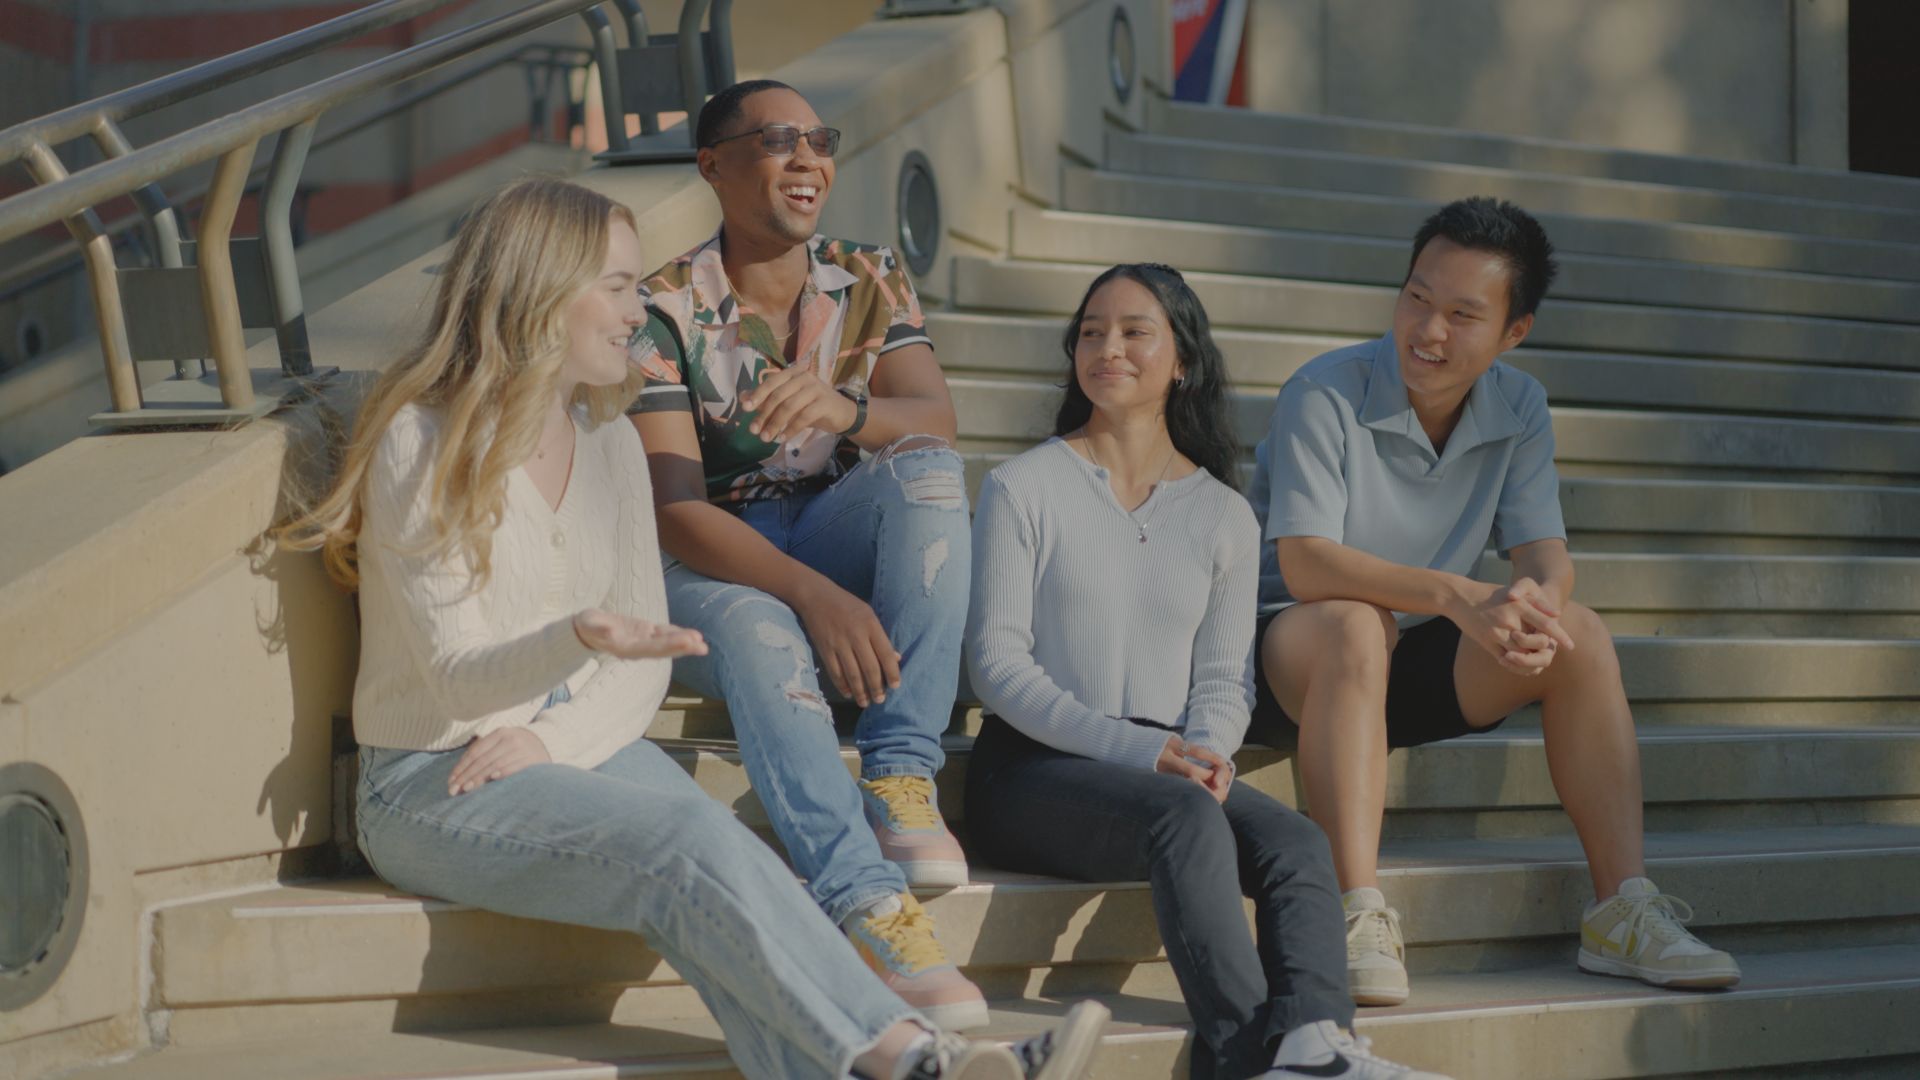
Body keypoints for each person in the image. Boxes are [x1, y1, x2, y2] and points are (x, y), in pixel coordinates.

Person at [282, 178, 1109, 1080]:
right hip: (432, 774)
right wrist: (580, 642)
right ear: (540, 290)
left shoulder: (606, 444)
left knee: (733, 872)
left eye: (638, 287)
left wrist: (553, 729)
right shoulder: (423, 440)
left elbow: (642, 673)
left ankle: (909, 1064)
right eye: (619, 287)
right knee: (694, 849)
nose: (640, 313)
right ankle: (918, 1063)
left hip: (565, 739)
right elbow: (454, 680)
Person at [1248, 197, 1741, 1007]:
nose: (1427, 330)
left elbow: (1545, 556)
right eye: (1416, 298)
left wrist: (1536, 608)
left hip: (1413, 656)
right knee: (1353, 623)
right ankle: (1352, 910)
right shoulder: (1324, 392)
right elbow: (1305, 565)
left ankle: (1621, 911)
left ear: (1514, 332)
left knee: (1576, 632)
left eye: (1461, 314)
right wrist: (1460, 595)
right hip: (1296, 658)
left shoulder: (1520, 407)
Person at [963, 263, 1452, 1080]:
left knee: (1296, 840)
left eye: (1132, 331)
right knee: (1182, 819)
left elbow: (1226, 679)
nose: (1105, 347)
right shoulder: (1024, 488)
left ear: (1183, 359)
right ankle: (1241, 1058)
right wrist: (1142, 755)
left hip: (1169, 767)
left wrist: (1207, 755)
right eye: (1090, 331)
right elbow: (998, 669)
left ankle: (1315, 1044)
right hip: (1032, 769)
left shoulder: (1223, 512)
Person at [628, 80, 981, 1026]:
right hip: (712, 560)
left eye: (817, 141)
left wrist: (847, 410)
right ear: (712, 165)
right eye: (777, 141)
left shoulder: (866, 272)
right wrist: (815, 597)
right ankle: (864, 904)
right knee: (764, 628)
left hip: (830, 523)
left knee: (931, 470)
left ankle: (902, 771)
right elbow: (675, 511)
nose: (806, 160)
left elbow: (934, 419)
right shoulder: (661, 307)